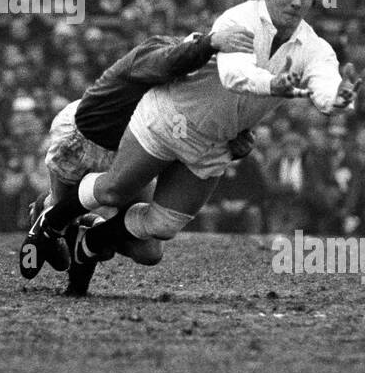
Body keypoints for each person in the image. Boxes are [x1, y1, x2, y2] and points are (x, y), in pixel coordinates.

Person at [57, 0, 361, 295]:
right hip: (171, 117)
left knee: (162, 228)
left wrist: (336, 98)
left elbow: (324, 83)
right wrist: (274, 84)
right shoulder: (239, 19)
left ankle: (92, 239)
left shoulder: (314, 47)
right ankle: (50, 220)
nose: (297, 1)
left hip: (214, 142)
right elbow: (235, 76)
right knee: (112, 188)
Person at [21, 26, 257, 281]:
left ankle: (90, 232)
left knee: (149, 251)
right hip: (86, 138)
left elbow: (196, 142)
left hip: (133, 152)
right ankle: (49, 208)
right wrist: (209, 44)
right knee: (62, 218)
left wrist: (233, 144)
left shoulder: (210, 94)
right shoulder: (160, 51)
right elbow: (171, 62)